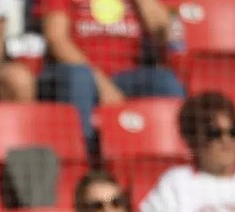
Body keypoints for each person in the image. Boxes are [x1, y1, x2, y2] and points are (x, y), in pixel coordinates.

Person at [37, 0, 185, 148]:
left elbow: (165, 32)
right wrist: (101, 83)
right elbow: (57, 40)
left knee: (166, 82)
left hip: (128, 76)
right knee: (80, 79)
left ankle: (171, 155)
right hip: (76, 72)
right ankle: (83, 157)